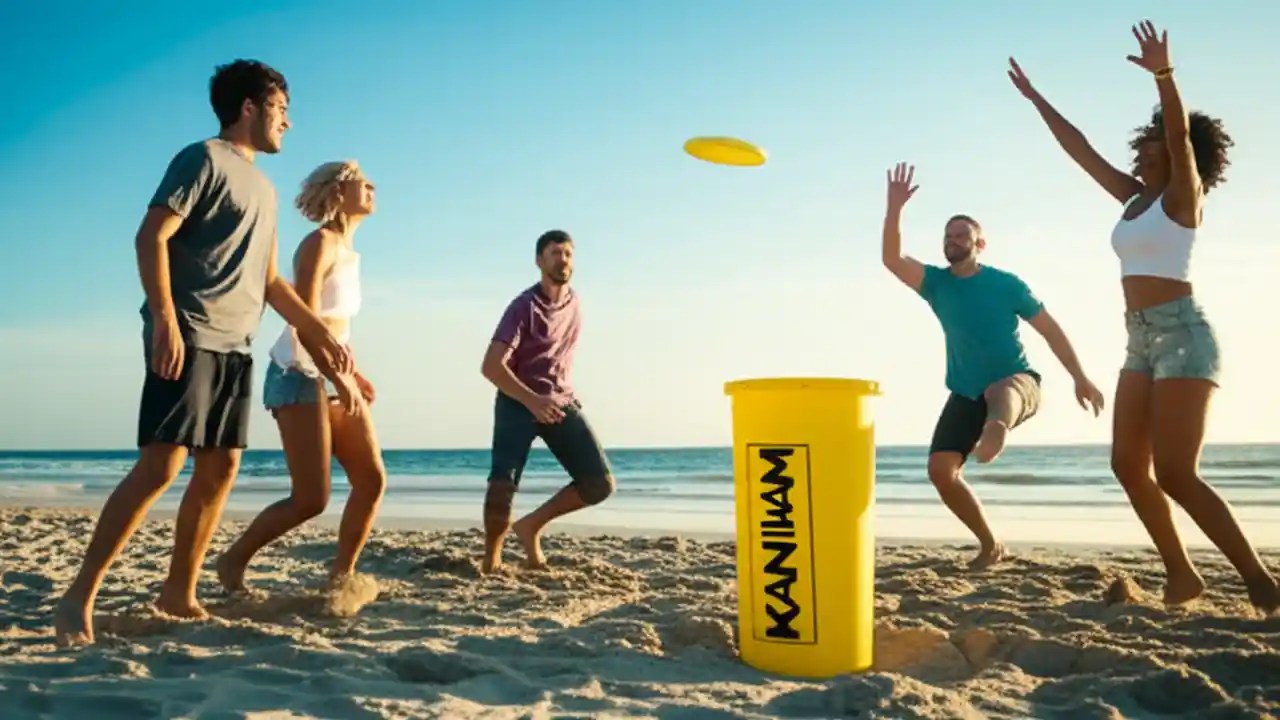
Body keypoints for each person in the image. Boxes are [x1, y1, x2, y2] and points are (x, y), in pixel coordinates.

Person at [53, 60, 355, 646]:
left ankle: (180, 593)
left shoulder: (264, 190)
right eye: (281, 110)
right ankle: (76, 598)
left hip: (236, 346)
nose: (288, 123)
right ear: (250, 107)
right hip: (188, 332)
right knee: (161, 466)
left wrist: (315, 331)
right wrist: (164, 317)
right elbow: (151, 236)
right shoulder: (202, 159)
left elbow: (269, 281)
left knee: (220, 468)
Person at [1007, 20, 1279, 612]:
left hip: (1184, 335)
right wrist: (1036, 100)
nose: (1146, 141)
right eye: (1147, 135)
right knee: (1128, 464)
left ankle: (1260, 580)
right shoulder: (1135, 200)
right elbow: (1080, 150)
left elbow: (1180, 136)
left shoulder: (1185, 197)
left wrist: (1164, 75)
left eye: (1153, 136)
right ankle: (1182, 575)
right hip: (1140, 341)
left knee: (1178, 472)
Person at [881, 162, 1106, 569]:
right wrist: (895, 207)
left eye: (961, 235)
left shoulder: (1007, 284)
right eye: (947, 235)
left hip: (1018, 385)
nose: (952, 241)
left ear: (979, 244)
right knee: (940, 471)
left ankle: (996, 429)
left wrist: (1080, 377)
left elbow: (1050, 330)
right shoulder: (935, 283)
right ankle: (990, 544)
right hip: (965, 391)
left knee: (998, 392)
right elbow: (892, 258)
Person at [216, 160, 386, 595]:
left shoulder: (350, 252)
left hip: (334, 373)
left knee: (371, 479)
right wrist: (338, 376)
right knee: (311, 498)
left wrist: (356, 374)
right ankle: (233, 560)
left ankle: (340, 578)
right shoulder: (319, 245)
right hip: (297, 372)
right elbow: (306, 322)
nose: (371, 186)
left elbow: (336, 326)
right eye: (360, 181)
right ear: (336, 192)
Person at [478, 229, 615, 573]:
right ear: (539, 261)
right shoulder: (523, 306)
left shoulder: (576, 302)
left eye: (568, 253)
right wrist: (532, 400)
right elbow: (491, 366)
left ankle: (530, 526)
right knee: (502, 484)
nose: (562, 259)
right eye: (555, 253)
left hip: (561, 402)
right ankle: (491, 560)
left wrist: (557, 398)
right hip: (517, 401)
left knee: (599, 484)